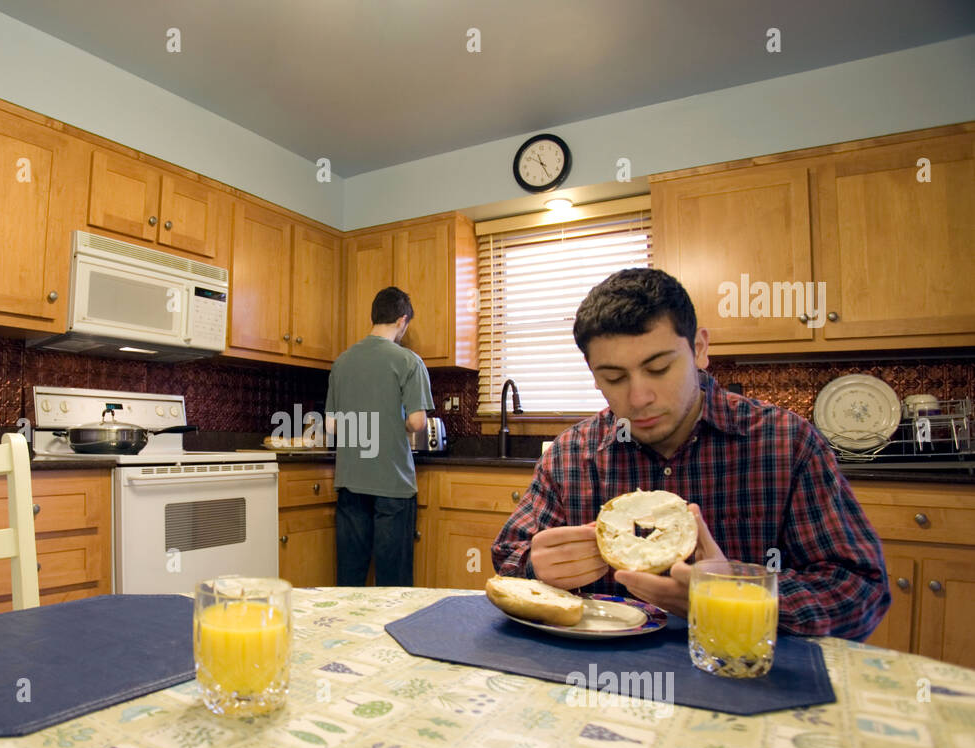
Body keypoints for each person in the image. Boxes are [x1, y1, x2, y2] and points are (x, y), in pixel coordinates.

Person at [491, 267, 890, 640]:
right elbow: (509, 557)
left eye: (660, 368)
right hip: (600, 677)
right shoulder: (569, 457)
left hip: (737, 676)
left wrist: (736, 596)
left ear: (699, 349)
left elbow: (860, 589)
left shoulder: (785, 444)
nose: (639, 397)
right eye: (614, 378)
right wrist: (534, 567)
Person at [326, 286, 434, 586]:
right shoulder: (409, 361)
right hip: (392, 485)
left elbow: (332, 426)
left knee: (349, 579)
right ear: (402, 320)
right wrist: (392, 423)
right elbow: (416, 422)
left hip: (350, 483)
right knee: (393, 583)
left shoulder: (342, 361)